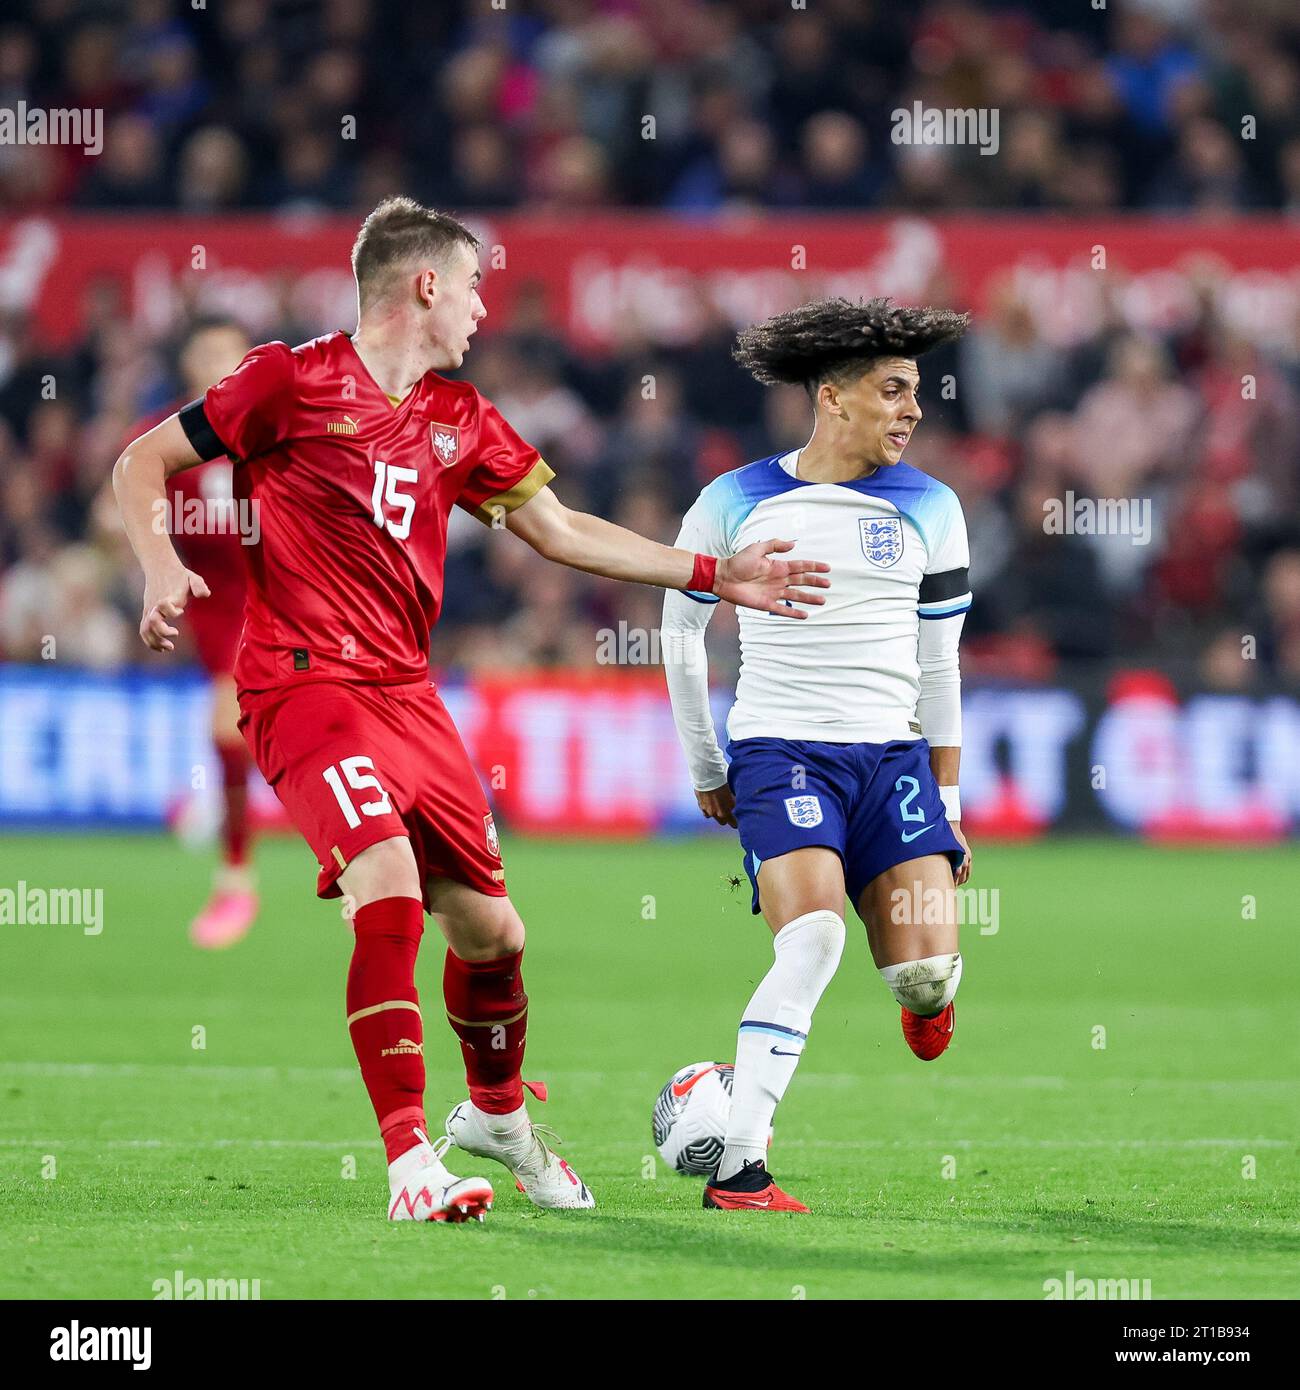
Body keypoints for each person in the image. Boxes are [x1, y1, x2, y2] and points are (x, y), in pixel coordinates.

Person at [112, 196, 829, 1224]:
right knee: (387, 884)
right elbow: (143, 460)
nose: (488, 308)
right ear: (426, 285)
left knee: (493, 934)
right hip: (303, 681)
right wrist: (158, 565)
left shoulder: (459, 419)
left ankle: (496, 1116)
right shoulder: (287, 380)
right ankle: (410, 1163)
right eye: (478, 284)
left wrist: (715, 573)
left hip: (409, 695)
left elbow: (562, 528)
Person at [662, 297, 973, 1213]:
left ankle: (926, 996)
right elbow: (680, 637)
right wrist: (706, 763)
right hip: (781, 754)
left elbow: (939, 666)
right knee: (815, 937)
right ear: (832, 398)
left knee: (923, 975)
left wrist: (948, 807)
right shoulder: (733, 498)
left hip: (894, 764)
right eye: (893, 391)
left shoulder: (934, 506)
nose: (913, 410)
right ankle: (740, 1170)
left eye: (916, 391)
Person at [124, 317, 260, 948]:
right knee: (232, 721)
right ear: (186, 367)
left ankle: (233, 869)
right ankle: (229, 850)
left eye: (230, 353)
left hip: (273, 593)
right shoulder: (167, 440)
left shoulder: (275, 426)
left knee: (232, 719)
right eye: (206, 354)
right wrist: (154, 561)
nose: (219, 364)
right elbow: (122, 495)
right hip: (204, 598)